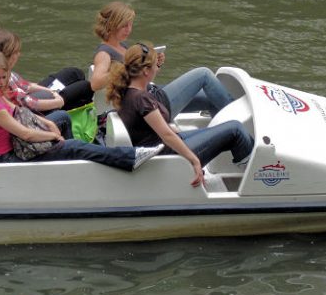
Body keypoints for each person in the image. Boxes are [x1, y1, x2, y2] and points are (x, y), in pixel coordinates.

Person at [0, 51, 162, 170]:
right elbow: (26, 134)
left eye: (4, 77)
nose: (2, 82)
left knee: (61, 117)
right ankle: (129, 157)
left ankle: (73, 164)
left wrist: (48, 124)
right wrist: (53, 137)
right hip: (10, 157)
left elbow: (20, 111)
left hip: (18, 143)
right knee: (73, 146)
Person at [107, 43, 254, 187]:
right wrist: (195, 161)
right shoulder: (142, 98)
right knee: (236, 129)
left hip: (162, 146)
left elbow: (152, 129)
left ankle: (250, 156)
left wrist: (173, 131)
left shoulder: (126, 91)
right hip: (168, 155)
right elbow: (167, 136)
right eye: (154, 66)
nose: (156, 70)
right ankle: (256, 175)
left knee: (228, 128)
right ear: (145, 71)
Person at [91, 1, 233, 119]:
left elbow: (137, 77)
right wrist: (128, 66)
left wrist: (154, 64)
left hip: (153, 93)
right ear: (112, 25)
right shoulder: (104, 53)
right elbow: (95, 83)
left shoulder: (121, 46)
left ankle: (231, 136)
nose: (129, 29)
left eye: (130, 24)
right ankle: (238, 124)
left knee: (213, 97)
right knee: (204, 74)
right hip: (152, 103)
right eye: (124, 25)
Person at [0, 30, 73, 137]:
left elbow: (24, 87)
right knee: (63, 115)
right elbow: (24, 106)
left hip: (3, 120)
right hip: (8, 130)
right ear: (6, 55)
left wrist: (51, 92)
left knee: (70, 77)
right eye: (16, 52)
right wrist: (58, 102)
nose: (19, 55)